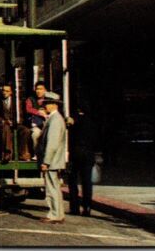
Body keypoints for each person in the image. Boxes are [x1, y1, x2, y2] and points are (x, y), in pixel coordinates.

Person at [36, 92, 67, 224]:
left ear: (54, 105)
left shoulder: (55, 120)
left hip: (52, 161)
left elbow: (52, 144)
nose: (45, 106)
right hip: (54, 161)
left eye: (47, 103)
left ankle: (54, 214)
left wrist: (46, 162)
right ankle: (58, 214)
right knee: (55, 187)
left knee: (51, 188)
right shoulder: (55, 119)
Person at [66, 101, 97, 216]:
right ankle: (87, 207)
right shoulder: (92, 123)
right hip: (88, 153)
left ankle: (74, 207)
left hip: (75, 153)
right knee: (87, 182)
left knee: (73, 181)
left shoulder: (74, 121)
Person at [0, 83, 31, 163]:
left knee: (25, 130)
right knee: (6, 127)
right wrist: (3, 121)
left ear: (11, 92)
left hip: (14, 124)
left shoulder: (17, 102)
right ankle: (7, 153)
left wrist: (16, 122)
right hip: (1, 124)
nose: (4, 92)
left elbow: (21, 115)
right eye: (3, 90)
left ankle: (21, 154)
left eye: (7, 91)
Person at [25, 81, 48, 153]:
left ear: (45, 90)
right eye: (37, 89)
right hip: (35, 124)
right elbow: (28, 109)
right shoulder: (31, 99)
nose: (38, 91)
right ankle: (37, 154)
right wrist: (39, 112)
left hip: (47, 124)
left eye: (41, 89)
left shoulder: (48, 100)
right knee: (36, 134)